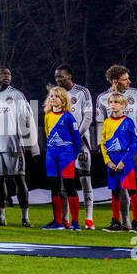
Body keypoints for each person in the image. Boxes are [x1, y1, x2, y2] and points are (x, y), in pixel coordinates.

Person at [96, 65, 137, 232]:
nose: (129, 81)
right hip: (115, 150)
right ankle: (124, 222)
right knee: (119, 187)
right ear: (116, 81)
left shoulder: (135, 94)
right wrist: (101, 146)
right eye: (125, 79)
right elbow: (101, 123)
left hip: (136, 146)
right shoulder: (102, 98)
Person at [0, 67, 38, 227]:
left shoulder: (17, 95)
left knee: (19, 179)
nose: (7, 76)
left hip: (13, 144)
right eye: (3, 74)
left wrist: (32, 145)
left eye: (9, 74)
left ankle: (25, 217)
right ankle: (0, 217)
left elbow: (28, 120)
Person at [53, 66, 94, 229]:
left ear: (69, 76)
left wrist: (76, 136)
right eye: (56, 77)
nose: (58, 79)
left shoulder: (82, 92)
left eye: (61, 76)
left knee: (85, 178)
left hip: (80, 142)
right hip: (62, 144)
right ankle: (65, 218)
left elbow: (88, 116)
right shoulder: (56, 94)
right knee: (65, 181)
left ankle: (89, 218)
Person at [43, 87, 83, 230]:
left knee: (70, 187)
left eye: (57, 96)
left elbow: (77, 140)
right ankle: (58, 221)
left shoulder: (68, 117)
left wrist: (72, 156)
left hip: (66, 156)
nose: (53, 98)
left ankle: (76, 222)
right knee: (54, 188)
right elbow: (48, 135)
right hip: (51, 156)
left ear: (63, 100)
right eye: (51, 96)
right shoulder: (47, 115)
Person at [100, 91, 137, 231]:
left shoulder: (128, 122)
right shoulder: (106, 122)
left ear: (124, 105)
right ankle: (116, 222)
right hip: (112, 160)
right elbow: (103, 143)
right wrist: (108, 162)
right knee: (115, 192)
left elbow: (134, 143)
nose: (113, 105)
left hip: (125, 160)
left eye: (116, 102)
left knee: (132, 191)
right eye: (111, 102)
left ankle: (136, 223)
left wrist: (124, 161)